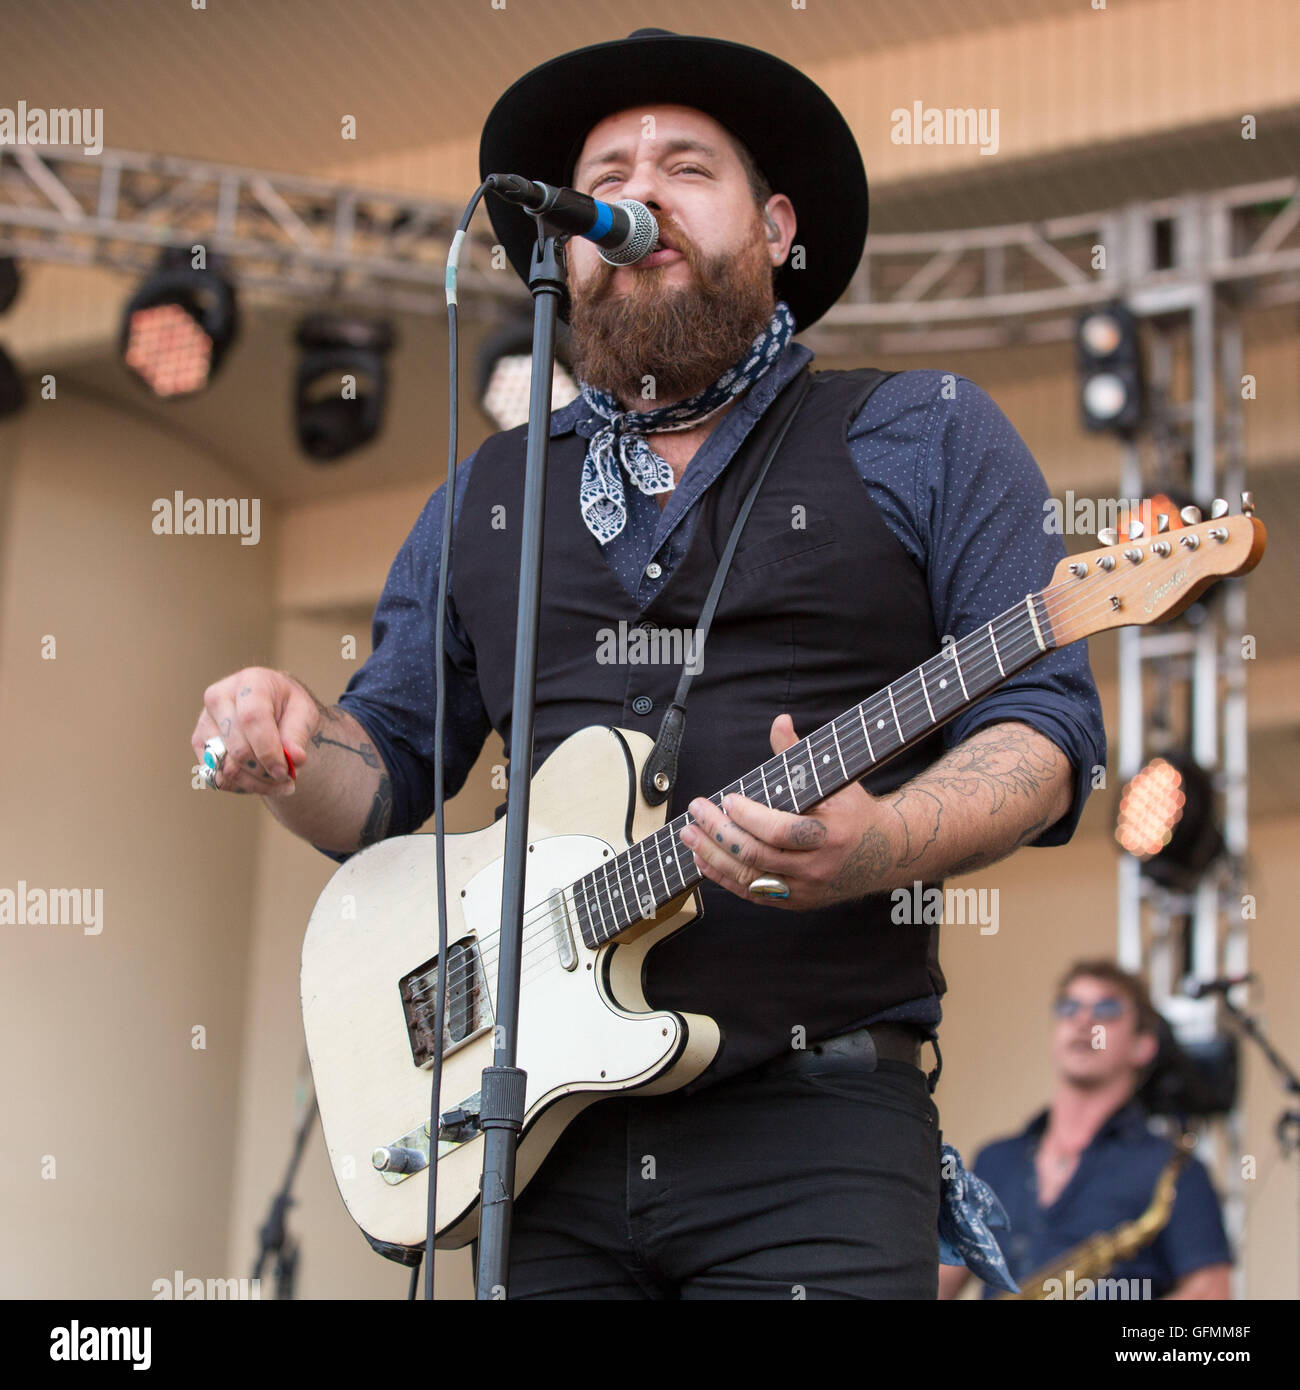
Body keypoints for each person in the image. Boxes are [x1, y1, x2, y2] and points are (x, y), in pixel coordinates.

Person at [192, 29, 1105, 1298]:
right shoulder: (491, 495)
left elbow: (1044, 729)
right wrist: (292, 742)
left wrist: (882, 842)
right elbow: (383, 780)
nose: (638, 191)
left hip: (815, 1130)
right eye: (607, 170)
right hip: (538, 1144)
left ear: (778, 225)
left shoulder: (922, 432)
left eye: (686, 165)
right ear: (561, 245)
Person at [939, 960, 1233, 1300]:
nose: (1083, 1020)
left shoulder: (1176, 1171)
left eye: (1106, 1009)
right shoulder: (995, 1160)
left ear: (1143, 1045)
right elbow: (937, 1283)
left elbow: (1210, 1291)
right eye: (1069, 1007)